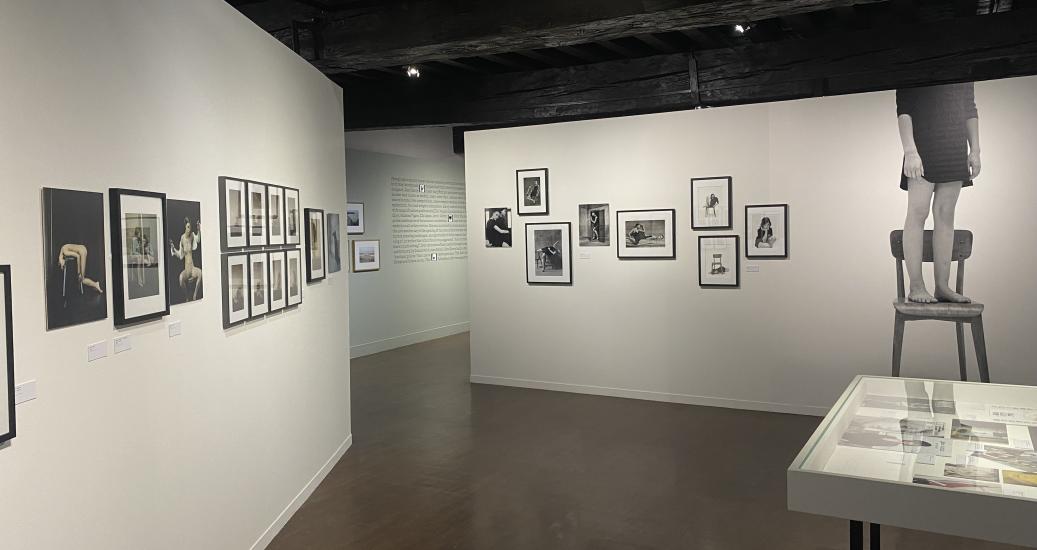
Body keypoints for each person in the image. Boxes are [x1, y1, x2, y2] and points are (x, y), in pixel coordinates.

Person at [897, 82, 980, 304]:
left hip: (953, 145)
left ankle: (942, 286)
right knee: (917, 213)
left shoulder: (964, 66)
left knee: (945, 215)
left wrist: (975, 150)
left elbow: (969, 108)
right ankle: (916, 286)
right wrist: (910, 151)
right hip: (923, 145)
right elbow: (904, 109)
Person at [169, 217, 202, 301]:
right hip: (187, 270)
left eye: (190, 227)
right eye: (188, 227)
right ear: (185, 227)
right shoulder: (182, 238)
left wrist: (198, 229)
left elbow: (198, 239)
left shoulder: (192, 236)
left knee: (200, 274)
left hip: (192, 267)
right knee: (180, 279)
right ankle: (187, 296)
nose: (189, 229)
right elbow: (180, 255)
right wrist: (173, 248)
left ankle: (194, 295)